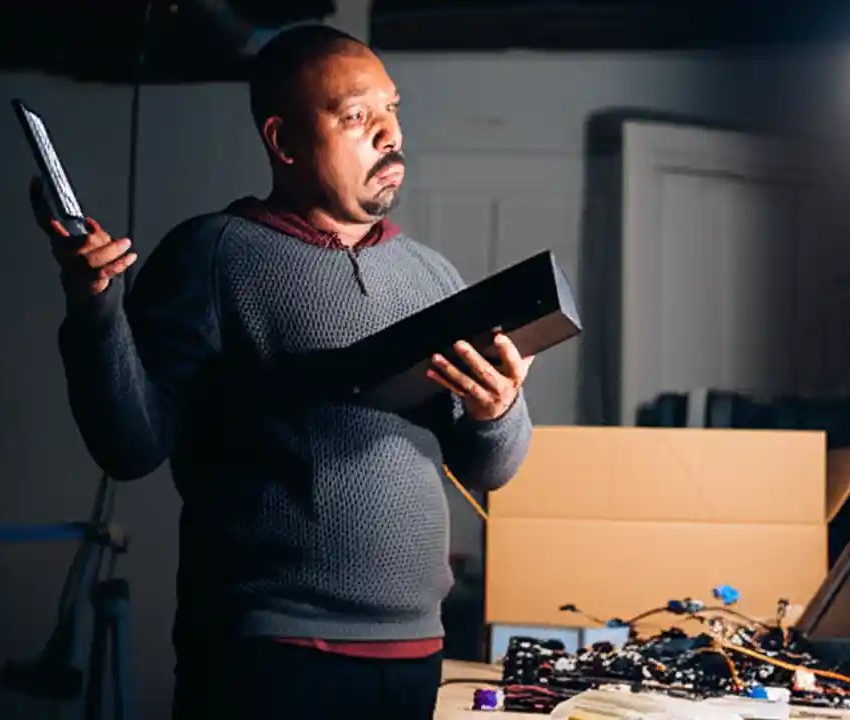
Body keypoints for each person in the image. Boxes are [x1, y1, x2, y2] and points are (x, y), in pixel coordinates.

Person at [29, 23, 535, 720]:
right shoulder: (212, 256)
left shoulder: (431, 276)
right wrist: (95, 311)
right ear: (284, 141)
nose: (389, 134)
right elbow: (129, 444)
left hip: (416, 652)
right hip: (269, 654)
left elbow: (489, 469)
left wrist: (498, 410)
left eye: (392, 109)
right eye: (357, 116)